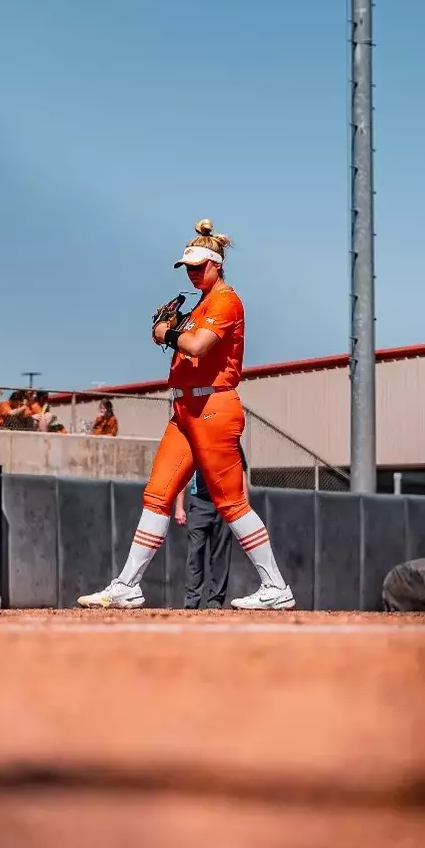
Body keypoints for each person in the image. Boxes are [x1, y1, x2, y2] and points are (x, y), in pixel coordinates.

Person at [80, 218, 294, 610]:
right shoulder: (201, 302)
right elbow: (174, 335)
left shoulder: (226, 300)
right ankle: (128, 584)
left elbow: (196, 345)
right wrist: (167, 327)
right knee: (158, 494)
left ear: (216, 264)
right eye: (188, 267)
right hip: (185, 408)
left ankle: (276, 586)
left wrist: (169, 332)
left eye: (199, 266)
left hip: (213, 406)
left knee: (230, 503)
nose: (193, 273)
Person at [178, 449, 247, 609]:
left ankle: (215, 602)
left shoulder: (231, 439)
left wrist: (244, 506)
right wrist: (179, 507)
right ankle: (191, 602)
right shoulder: (196, 438)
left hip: (225, 502)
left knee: (220, 556)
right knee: (195, 554)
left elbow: (241, 471)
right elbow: (183, 473)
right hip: (199, 502)